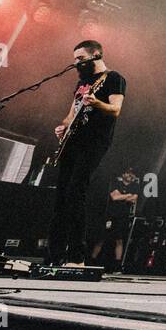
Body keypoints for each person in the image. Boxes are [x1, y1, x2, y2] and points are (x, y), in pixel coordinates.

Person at [45, 40, 126, 268]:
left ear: (96, 55)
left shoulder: (113, 78)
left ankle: (77, 257)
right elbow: (70, 114)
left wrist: (96, 102)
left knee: (75, 193)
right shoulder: (82, 82)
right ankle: (54, 256)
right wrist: (63, 126)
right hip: (72, 142)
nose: (76, 63)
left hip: (94, 142)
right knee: (61, 197)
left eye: (80, 58)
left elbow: (116, 109)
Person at [92, 166, 140, 271]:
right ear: (123, 175)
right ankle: (92, 261)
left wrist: (122, 196)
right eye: (128, 173)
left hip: (123, 216)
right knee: (101, 239)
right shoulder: (115, 183)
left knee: (119, 240)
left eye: (132, 174)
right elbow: (114, 197)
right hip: (110, 215)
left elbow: (134, 199)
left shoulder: (135, 186)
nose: (130, 175)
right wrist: (127, 195)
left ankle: (117, 265)